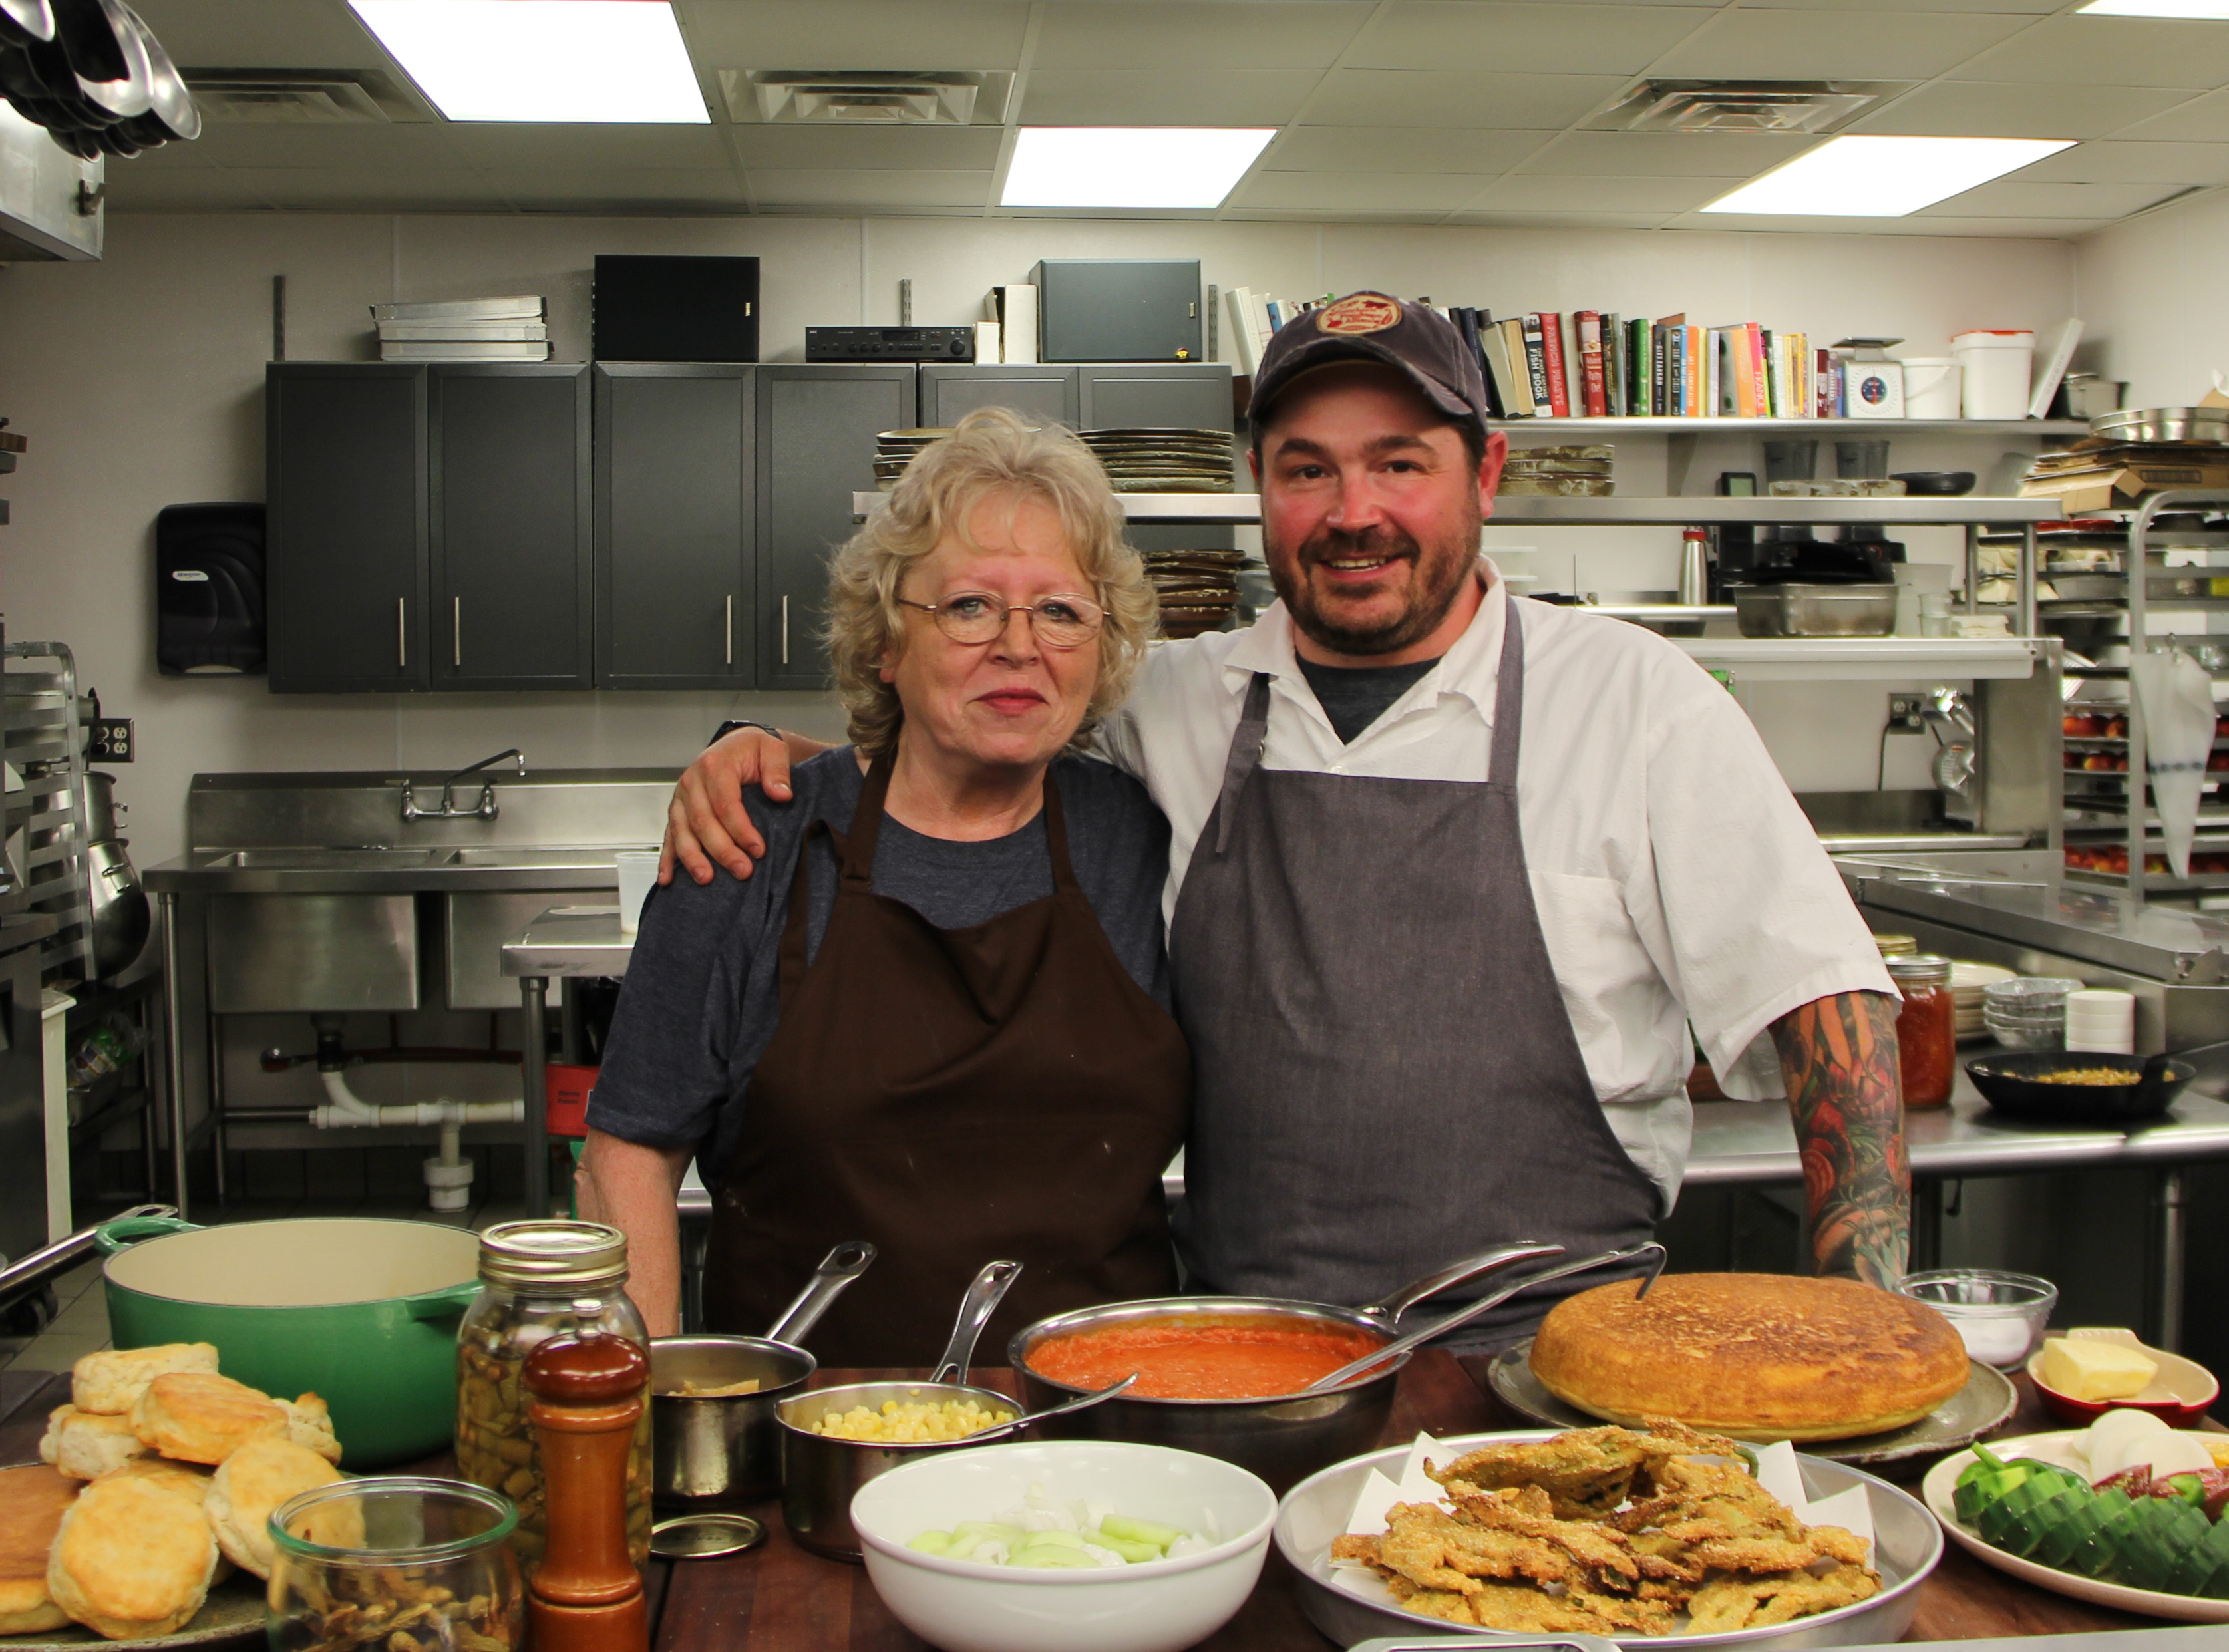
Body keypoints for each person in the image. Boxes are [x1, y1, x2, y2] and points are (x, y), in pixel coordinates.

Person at [663, 295, 1910, 1320]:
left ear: (1485, 473)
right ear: (1260, 482)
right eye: (1309, 469)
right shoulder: (1177, 702)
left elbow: (1826, 1008)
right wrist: (772, 761)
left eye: (1400, 465)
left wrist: (1875, 1336)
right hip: (1247, 1371)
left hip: (1555, 1365)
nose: (1353, 513)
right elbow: (976, 718)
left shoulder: (1635, 703)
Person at [578, 409, 1188, 1365]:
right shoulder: (750, 842)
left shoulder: (1150, 840)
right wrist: (653, 1404)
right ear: (886, 645)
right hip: (811, 1428)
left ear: (1101, 651)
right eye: (971, 606)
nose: (1020, 645)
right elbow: (629, 1155)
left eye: (1062, 612)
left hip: (1105, 1423)